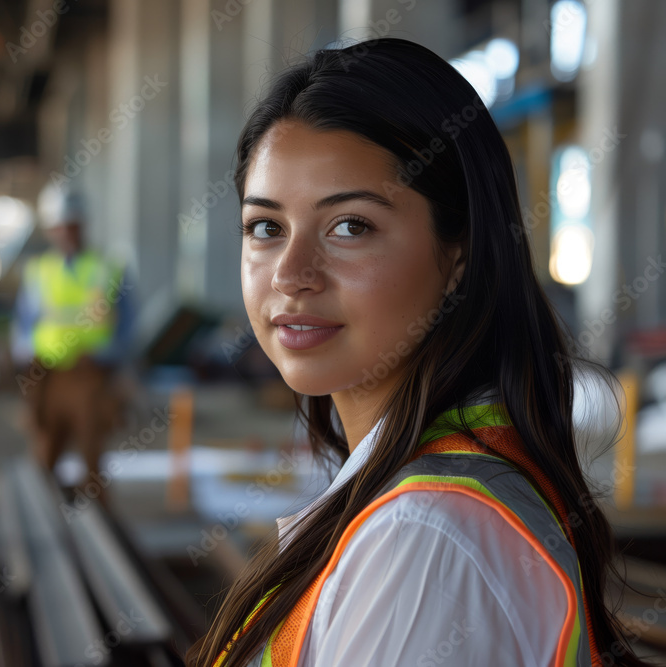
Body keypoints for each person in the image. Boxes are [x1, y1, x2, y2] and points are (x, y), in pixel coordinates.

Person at [187, 39, 655, 667]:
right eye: (266, 227)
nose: (291, 274)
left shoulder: (426, 538)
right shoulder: (426, 493)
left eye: (350, 226)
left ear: (457, 255)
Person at [11, 182, 133, 502]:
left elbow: (128, 326)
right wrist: (26, 361)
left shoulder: (109, 269)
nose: (67, 233)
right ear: (50, 229)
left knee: (92, 459)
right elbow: (23, 326)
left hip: (90, 375)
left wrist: (111, 360)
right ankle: (45, 515)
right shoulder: (39, 272)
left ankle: (96, 519)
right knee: (44, 454)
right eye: (60, 226)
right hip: (46, 375)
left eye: (72, 226)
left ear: (84, 225)